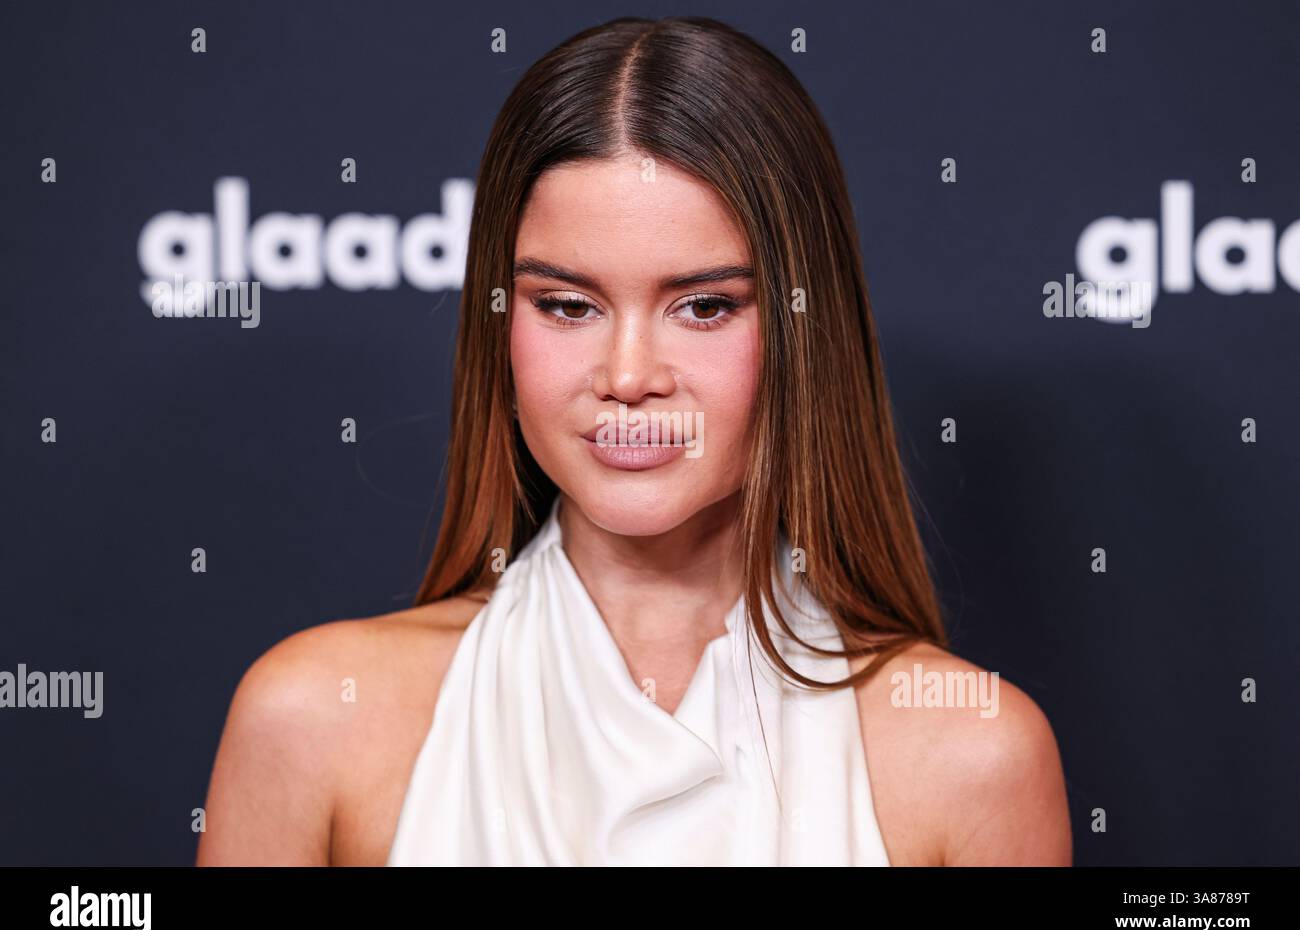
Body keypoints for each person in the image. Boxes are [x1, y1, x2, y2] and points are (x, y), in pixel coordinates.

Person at [197, 15, 1071, 866]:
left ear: (809, 328)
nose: (626, 375)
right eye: (568, 305)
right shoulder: (315, 719)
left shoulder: (974, 757)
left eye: (705, 306)